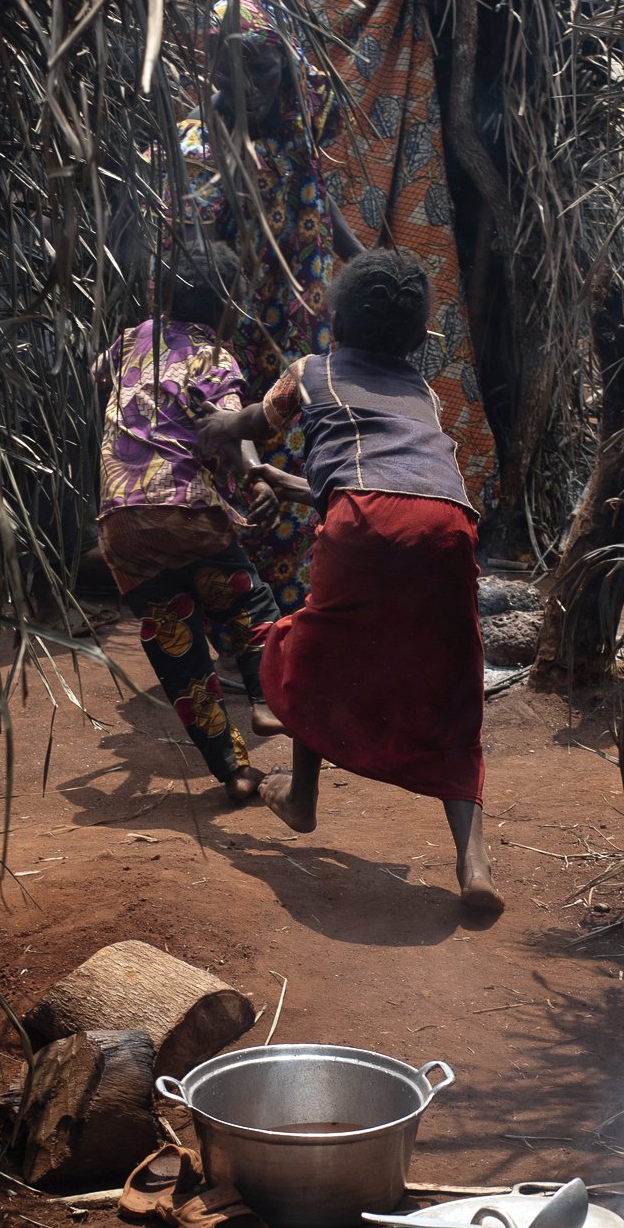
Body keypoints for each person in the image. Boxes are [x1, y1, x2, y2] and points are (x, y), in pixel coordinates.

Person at [199, 249, 501, 918]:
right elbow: (397, 486)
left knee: (314, 654)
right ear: (422, 342)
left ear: (332, 318)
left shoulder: (312, 371)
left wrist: (222, 425)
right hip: (450, 526)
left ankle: (302, 799)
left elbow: (255, 425)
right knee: (453, 690)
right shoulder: (422, 394)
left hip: (363, 522)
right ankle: (474, 865)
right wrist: (296, 485)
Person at [96, 242, 308, 805]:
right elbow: (230, 429)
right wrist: (258, 479)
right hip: (187, 511)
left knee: (177, 656)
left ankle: (234, 773)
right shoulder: (216, 357)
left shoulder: (127, 341)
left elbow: (101, 379)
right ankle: (264, 701)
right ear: (227, 309)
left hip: (121, 522)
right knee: (250, 608)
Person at [178, 0, 360, 610]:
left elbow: (318, 200)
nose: (247, 84)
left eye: (263, 66)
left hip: (306, 346)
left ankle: (293, 617)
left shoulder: (291, 135)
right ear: (209, 68)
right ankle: (251, 631)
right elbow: (193, 257)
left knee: (305, 465)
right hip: (239, 349)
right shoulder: (201, 150)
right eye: (231, 66)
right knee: (241, 474)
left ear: (285, 66)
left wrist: (367, 266)